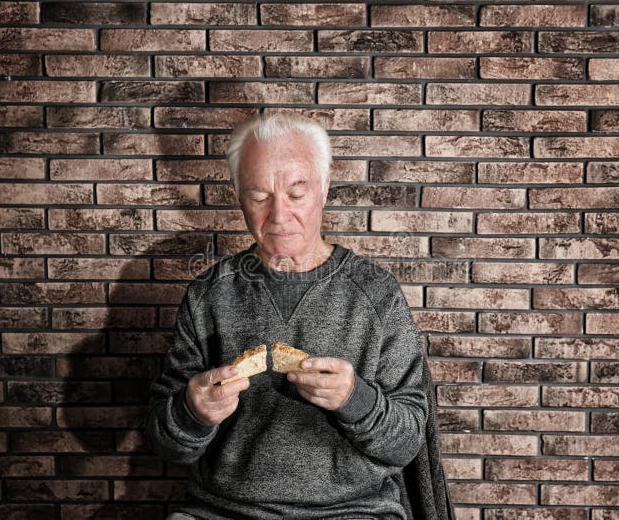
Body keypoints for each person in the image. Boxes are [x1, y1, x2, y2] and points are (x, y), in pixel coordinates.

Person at [145, 113, 448, 519]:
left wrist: (353, 400)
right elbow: (166, 445)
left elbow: (408, 443)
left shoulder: (377, 295)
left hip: (352, 511)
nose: (279, 215)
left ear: (324, 188)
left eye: (296, 193)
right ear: (237, 195)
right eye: (258, 196)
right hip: (225, 511)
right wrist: (192, 411)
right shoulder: (208, 296)